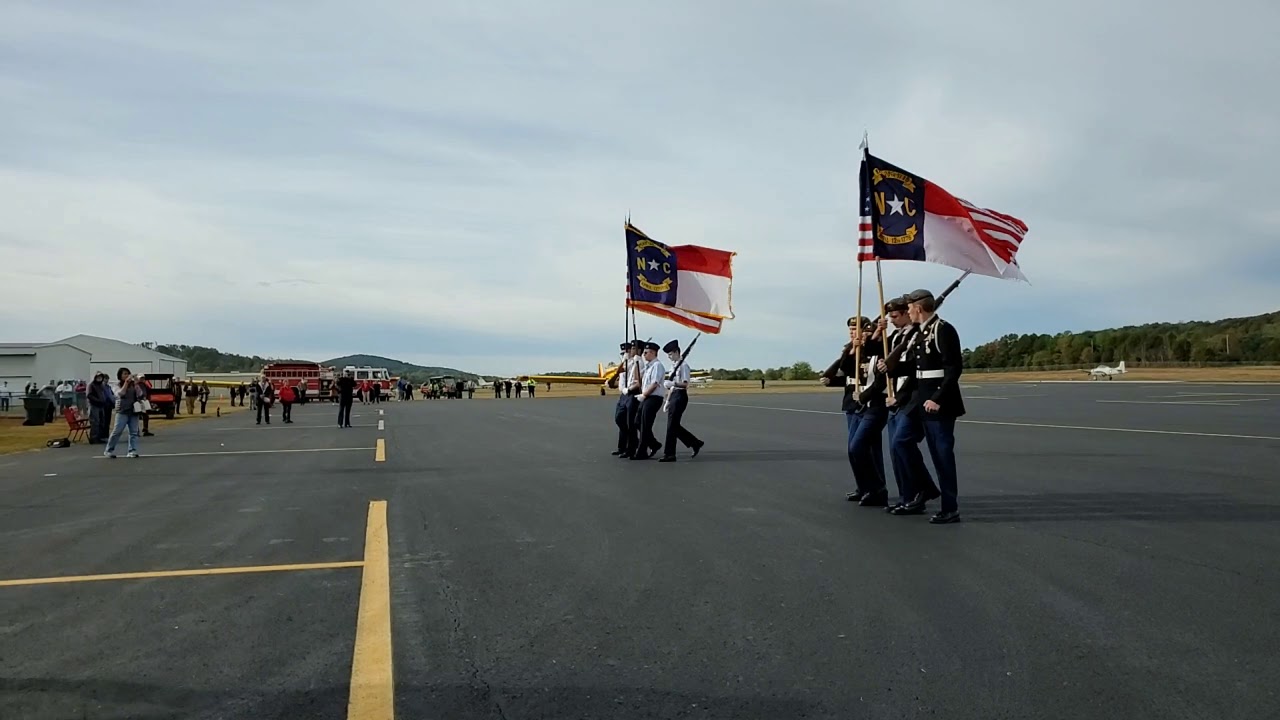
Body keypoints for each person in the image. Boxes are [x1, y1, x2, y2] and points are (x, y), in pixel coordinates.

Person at [902, 288, 965, 524]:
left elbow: (953, 369)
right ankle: (926, 490)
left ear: (918, 308)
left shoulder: (943, 330)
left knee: (942, 456)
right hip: (922, 403)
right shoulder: (921, 332)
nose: (908, 311)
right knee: (905, 442)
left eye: (909, 307)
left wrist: (937, 398)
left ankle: (950, 508)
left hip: (940, 405)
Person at [879, 295, 942, 515]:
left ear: (909, 312)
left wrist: (900, 397)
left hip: (911, 398)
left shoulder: (921, 333)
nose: (892, 320)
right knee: (896, 451)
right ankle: (908, 496)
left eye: (896, 315)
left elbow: (917, 372)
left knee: (901, 443)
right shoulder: (897, 336)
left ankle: (923, 491)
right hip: (896, 398)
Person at [821, 316, 888, 506]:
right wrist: (851, 349)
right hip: (852, 402)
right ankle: (864, 487)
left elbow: (872, 377)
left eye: (857, 330)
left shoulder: (874, 350)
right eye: (851, 331)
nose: (854, 334)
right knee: (854, 450)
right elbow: (845, 370)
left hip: (871, 402)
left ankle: (877, 488)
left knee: (867, 449)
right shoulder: (852, 351)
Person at [658, 339, 704, 462]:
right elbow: (671, 387)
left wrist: (673, 383)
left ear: (677, 352)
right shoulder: (673, 367)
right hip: (674, 395)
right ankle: (695, 442)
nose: (669, 356)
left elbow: (685, 384)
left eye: (670, 354)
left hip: (680, 396)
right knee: (674, 426)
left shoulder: (683, 366)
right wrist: (667, 400)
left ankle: (670, 454)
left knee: (671, 426)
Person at [631, 341, 666, 460]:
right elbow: (637, 379)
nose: (644, 355)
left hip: (653, 398)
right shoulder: (649, 366)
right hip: (646, 397)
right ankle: (654, 444)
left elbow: (655, 384)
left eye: (645, 353)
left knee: (645, 425)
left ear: (652, 352)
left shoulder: (657, 366)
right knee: (637, 422)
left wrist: (644, 395)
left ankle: (641, 452)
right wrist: (636, 363)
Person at [104, 367, 143, 458]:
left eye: (128, 374)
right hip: (122, 411)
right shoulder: (116, 385)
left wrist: (136, 384)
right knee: (117, 431)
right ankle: (109, 450)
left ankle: (132, 450)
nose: (126, 376)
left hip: (133, 410)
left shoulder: (133, 385)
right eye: (124, 374)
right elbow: (120, 394)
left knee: (133, 432)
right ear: (120, 376)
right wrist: (126, 383)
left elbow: (140, 394)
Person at [611, 342, 633, 457]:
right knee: (619, 419)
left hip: (630, 394)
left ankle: (630, 446)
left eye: (626, 352)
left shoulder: (633, 364)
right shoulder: (623, 364)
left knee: (626, 421)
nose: (624, 354)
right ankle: (622, 447)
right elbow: (619, 380)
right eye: (622, 353)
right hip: (623, 395)